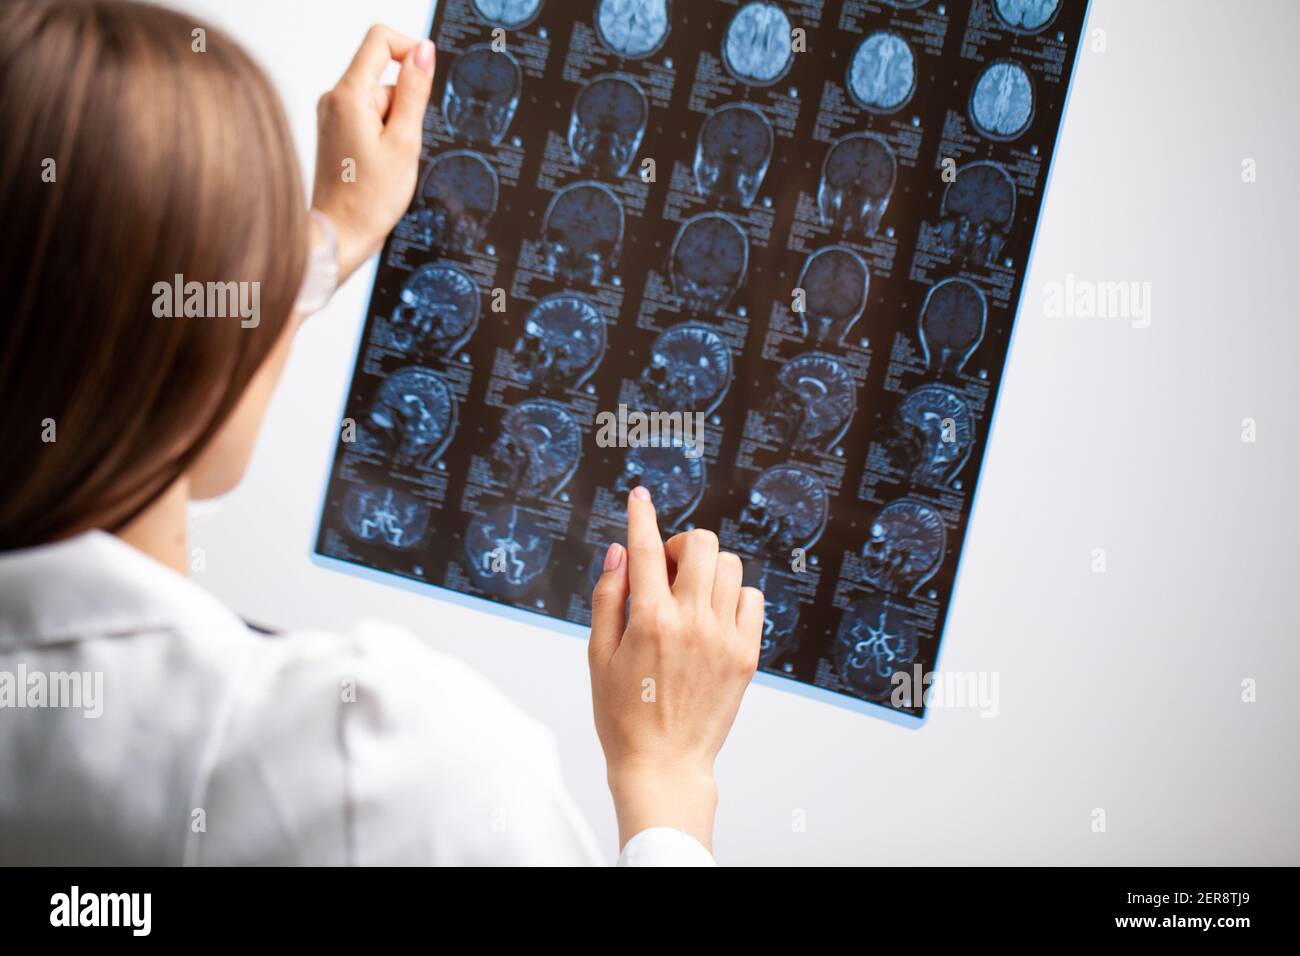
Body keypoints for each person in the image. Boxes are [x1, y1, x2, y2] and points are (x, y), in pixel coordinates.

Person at [0, 0, 762, 865]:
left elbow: (75, 340)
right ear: (198, 339)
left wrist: (330, 237)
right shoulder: (385, 768)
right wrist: (667, 777)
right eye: (263, 253)